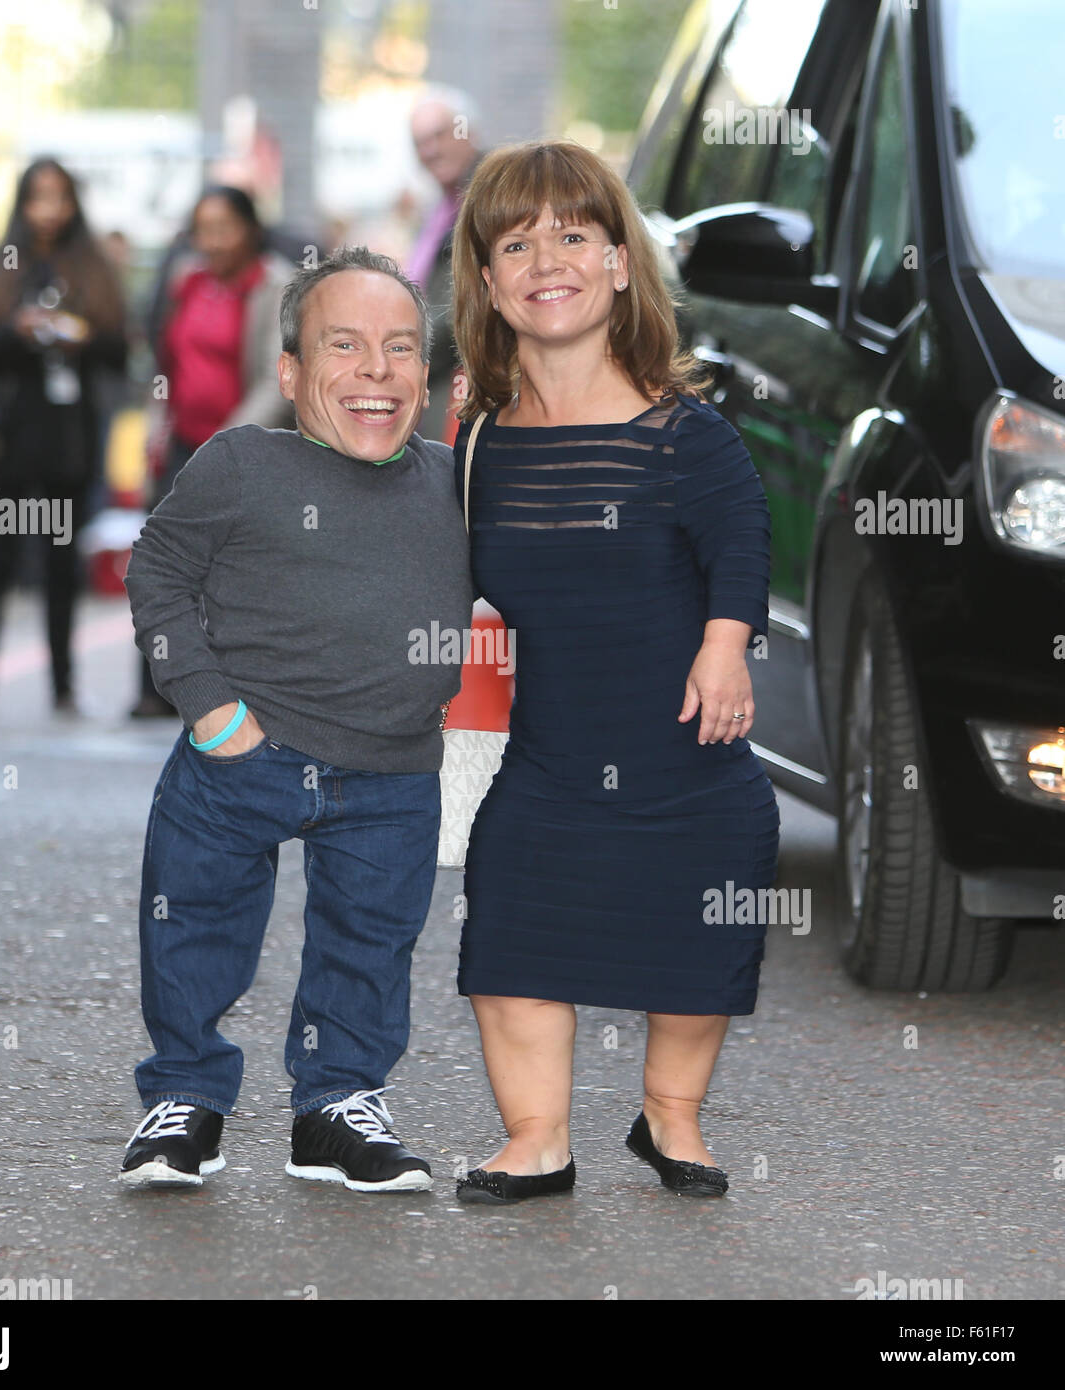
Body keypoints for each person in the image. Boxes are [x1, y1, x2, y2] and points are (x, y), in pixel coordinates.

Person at [448, 141, 781, 1204]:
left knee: (694, 948)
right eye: (516, 241)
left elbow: (742, 540)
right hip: (547, 761)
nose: (547, 257)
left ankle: (669, 1118)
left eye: (574, 233)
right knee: (507, 937)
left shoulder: (686, 434)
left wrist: (725, 643)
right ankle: (536, 1140)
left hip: (689, 756)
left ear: (621, 264)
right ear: (490, 284)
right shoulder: (478, 442)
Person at [119, 245, 473, 1193]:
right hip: (239, 756)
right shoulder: (240, 464)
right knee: (193, 923)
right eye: (344, 345)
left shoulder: (458, 483)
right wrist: (205, 703)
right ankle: (185, 1097)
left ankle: (334, 1108)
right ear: (288, 372)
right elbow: (154, 572)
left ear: (428, 376)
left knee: (370, 944)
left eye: (401, 349)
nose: (375, 371)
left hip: (393, 772)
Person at [0, 157, 126, 713]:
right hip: (6, 438)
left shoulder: (91, 266)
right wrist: (16, 330)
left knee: (61, 564)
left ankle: (63, 684)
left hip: (65, 441)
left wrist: (78, 338)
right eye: (37, 197)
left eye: (59, 197)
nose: (48, 210)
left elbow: (119, 351)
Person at [129, 185, 299, 718]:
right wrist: (157, 426)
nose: (214, 241)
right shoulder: (186, 281)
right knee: (164, 564)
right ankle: (156, 686)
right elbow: (165, 364)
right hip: (181, 445)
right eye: (204, 229)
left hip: (243, 450)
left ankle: (237, 689)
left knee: (234, 569)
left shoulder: (276, 285)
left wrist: (228, 443)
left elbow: (277, 379)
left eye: (225, 227)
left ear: (251, 229)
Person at [405, 88, 483, 441]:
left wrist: (404, 350)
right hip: (437, 377)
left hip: (466, 378)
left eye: (439, 134)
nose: (430, 150)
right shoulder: (438, 207)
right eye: (419, 142)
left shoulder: (489, 192)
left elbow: (470, 300)